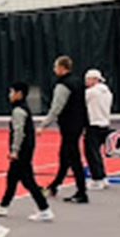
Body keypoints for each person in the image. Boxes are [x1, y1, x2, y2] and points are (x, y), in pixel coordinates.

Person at [0, 82, 54, 222]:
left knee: (28, 181)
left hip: (22, 150)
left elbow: (19, 132)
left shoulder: (18, 111)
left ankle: (44, 209)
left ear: (19, 94)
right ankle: (3, 206)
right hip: (26, 148)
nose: (9, 95)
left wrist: (14, 150)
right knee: (12, 178)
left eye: (12, 92)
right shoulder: (22, 109)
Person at [38, 56, 89, 204]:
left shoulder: (63, 85)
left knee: (73, 158)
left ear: (62, 68)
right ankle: (54, 186)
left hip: (69, 125)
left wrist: (43, 125)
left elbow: (56, 108)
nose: (54, 70)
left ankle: (82, 192)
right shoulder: (78, 82)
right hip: (78, 124)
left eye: (55, 67)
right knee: (65, 156)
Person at [83, 69, 114, 191]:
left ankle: (97, 179)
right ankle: (102, 177)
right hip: (105, 124)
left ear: (95, 79)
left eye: (88, 79)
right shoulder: (108, 92)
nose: (86, 82)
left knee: (91, 153)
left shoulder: (91, 92)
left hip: (94, 125)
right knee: (97, 154)